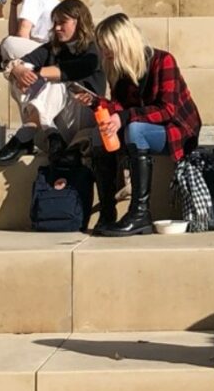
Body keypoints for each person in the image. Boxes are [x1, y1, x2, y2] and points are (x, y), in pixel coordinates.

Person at [86, 13, 201, 237]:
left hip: (177, 129)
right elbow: (121, 107)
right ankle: (108, 211)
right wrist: (96, 103)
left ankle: (140, 213)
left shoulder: (163, 60)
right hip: (142, 127)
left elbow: (167, 110)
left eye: (108, 47)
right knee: (99, 133)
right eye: (103, 47)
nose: (106, 53)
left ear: (123, 43)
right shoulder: (118, 68)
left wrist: (125, 117)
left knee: (134, 129)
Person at [0, 0, 102, 164]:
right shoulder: (54, 47)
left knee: (56, 84)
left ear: (78, 22)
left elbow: (66, 71)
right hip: (53, 125)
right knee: (18, 72)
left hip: (83, 118)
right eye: (55, 23)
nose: (57, 28)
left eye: (62, 22)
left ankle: (26, 134)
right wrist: (17, 69)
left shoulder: (94, 50)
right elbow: (24, 62)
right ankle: (52, 136)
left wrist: (27, 71)